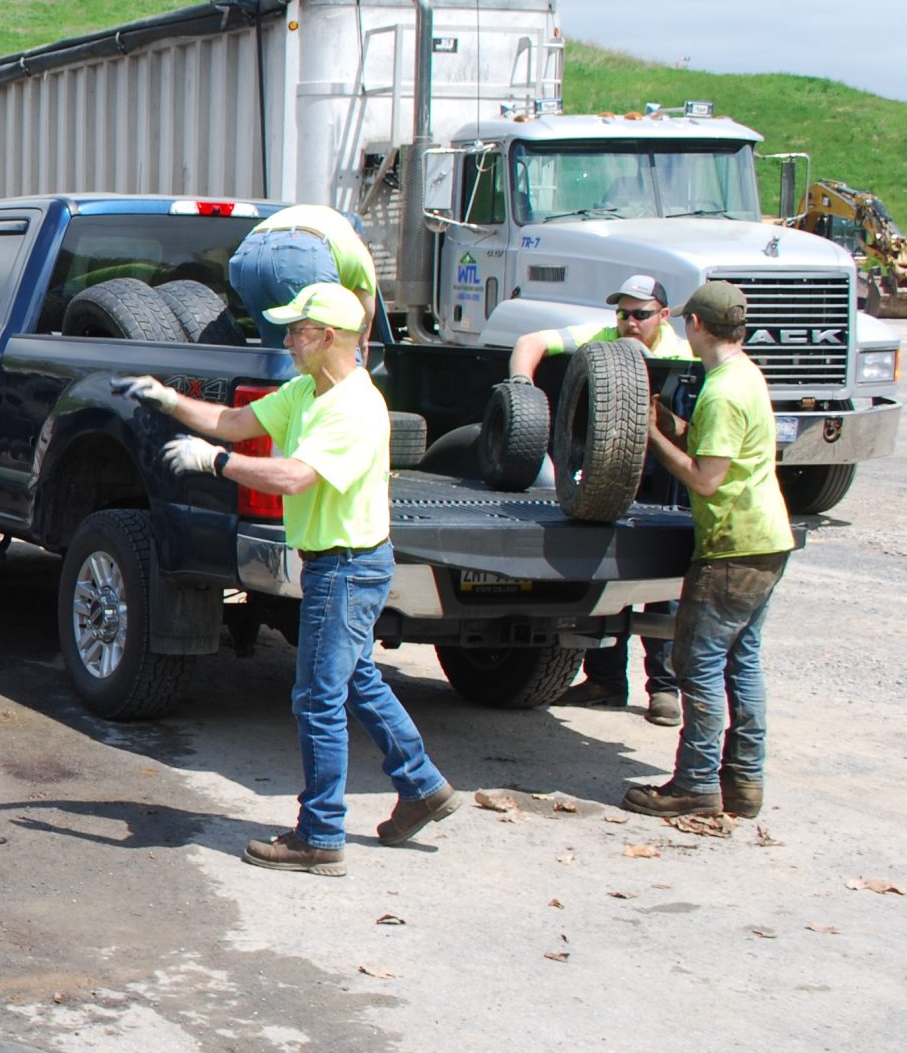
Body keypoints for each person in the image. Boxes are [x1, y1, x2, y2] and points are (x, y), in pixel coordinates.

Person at [124, 282, 456, 875]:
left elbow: (294, 477)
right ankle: (423, 785)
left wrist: (215, 462)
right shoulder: (305, 390)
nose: (286, 340)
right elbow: (231, 419)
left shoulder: (352, 407)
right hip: (340, 564)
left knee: (317, 697)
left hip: (346, 567)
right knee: (355, 681)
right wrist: (168, 399)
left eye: (297, 331)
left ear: (330, 336)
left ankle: (320, 835)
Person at [628, 280, 793, 819]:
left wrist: (652, 441)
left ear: (695, 324)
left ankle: (696, 784)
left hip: (732, 547)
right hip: (767, 538)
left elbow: (705, 478)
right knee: (742, 664)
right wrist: (664, 423)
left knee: (697, 663)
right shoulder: (744, 376)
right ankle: (744, 783)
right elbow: (712, 442)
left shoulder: (721, 390)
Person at [508, 275, 695, 725]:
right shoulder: (606, 338)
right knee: (602, 574)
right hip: (604, 472)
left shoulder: (683, 357)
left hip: (662, 478)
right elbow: (531, 341)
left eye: (640, 314)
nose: (629, 322)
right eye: (623, 313)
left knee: (658, 588)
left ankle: (663, 689)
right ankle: (605, 680)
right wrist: (522, 387)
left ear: (664, 317)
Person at [227, 204, 381, 341]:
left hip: (247, 253)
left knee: (279, 345)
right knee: (340, 343)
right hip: (299, 249)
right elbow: (361, 331)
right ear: (359, 236)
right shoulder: (360, 252)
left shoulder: (326, 224)